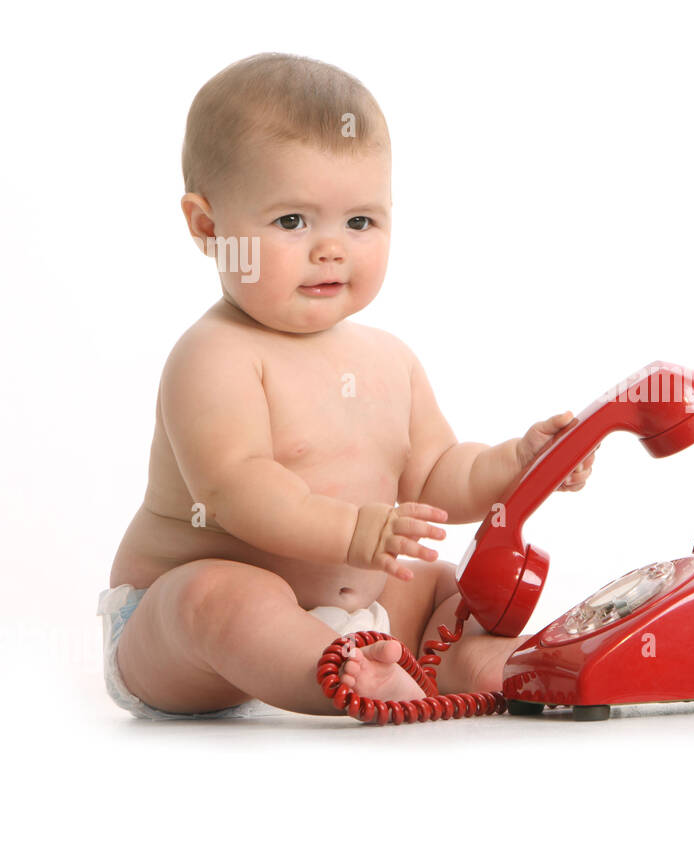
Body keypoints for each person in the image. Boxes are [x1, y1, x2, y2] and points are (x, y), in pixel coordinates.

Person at [100, 53, 595, 719]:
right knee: (220, 597)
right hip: (179, 640)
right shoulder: (214, 356)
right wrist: (357, 531)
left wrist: (516, 462)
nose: (331, 248)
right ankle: (337, 676)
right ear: (208, 228)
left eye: (359, 221)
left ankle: (483, 664)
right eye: (292, 222)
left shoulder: (390, 359)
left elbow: (437, 480)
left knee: (450, 584)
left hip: (370, 610)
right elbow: (237, 491)